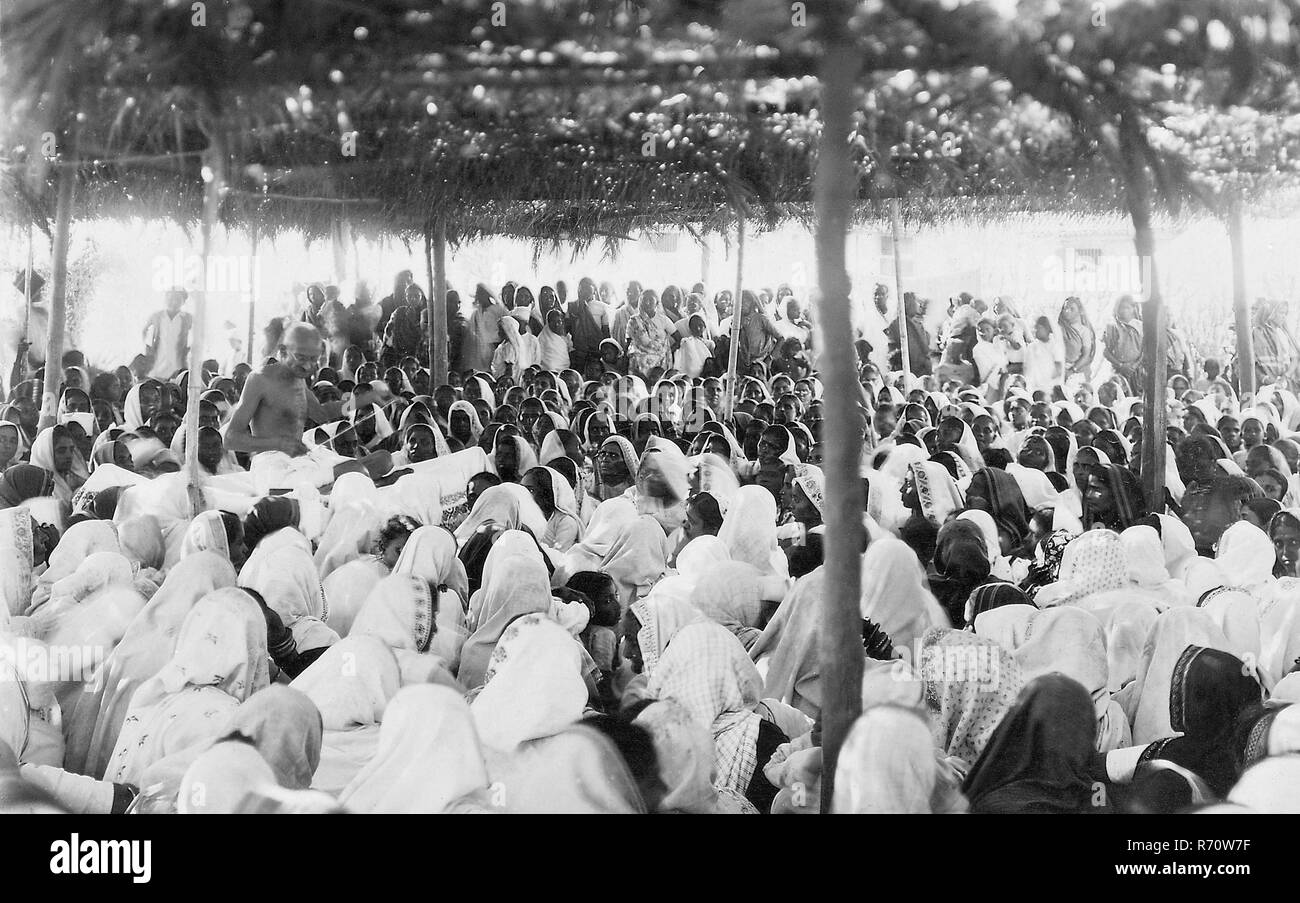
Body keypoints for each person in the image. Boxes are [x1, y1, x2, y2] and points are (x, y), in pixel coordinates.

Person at [142, 287, 193, 381]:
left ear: (183, 301)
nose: (173, 302)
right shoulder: (157, 316)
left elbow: (197, 336)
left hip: (178, 365)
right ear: (166, 299)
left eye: (177, 299)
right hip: (157, 365)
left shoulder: (187, 318)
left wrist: (190, 349)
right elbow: (145, 330)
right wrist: (147, 346)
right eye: (170, 298)